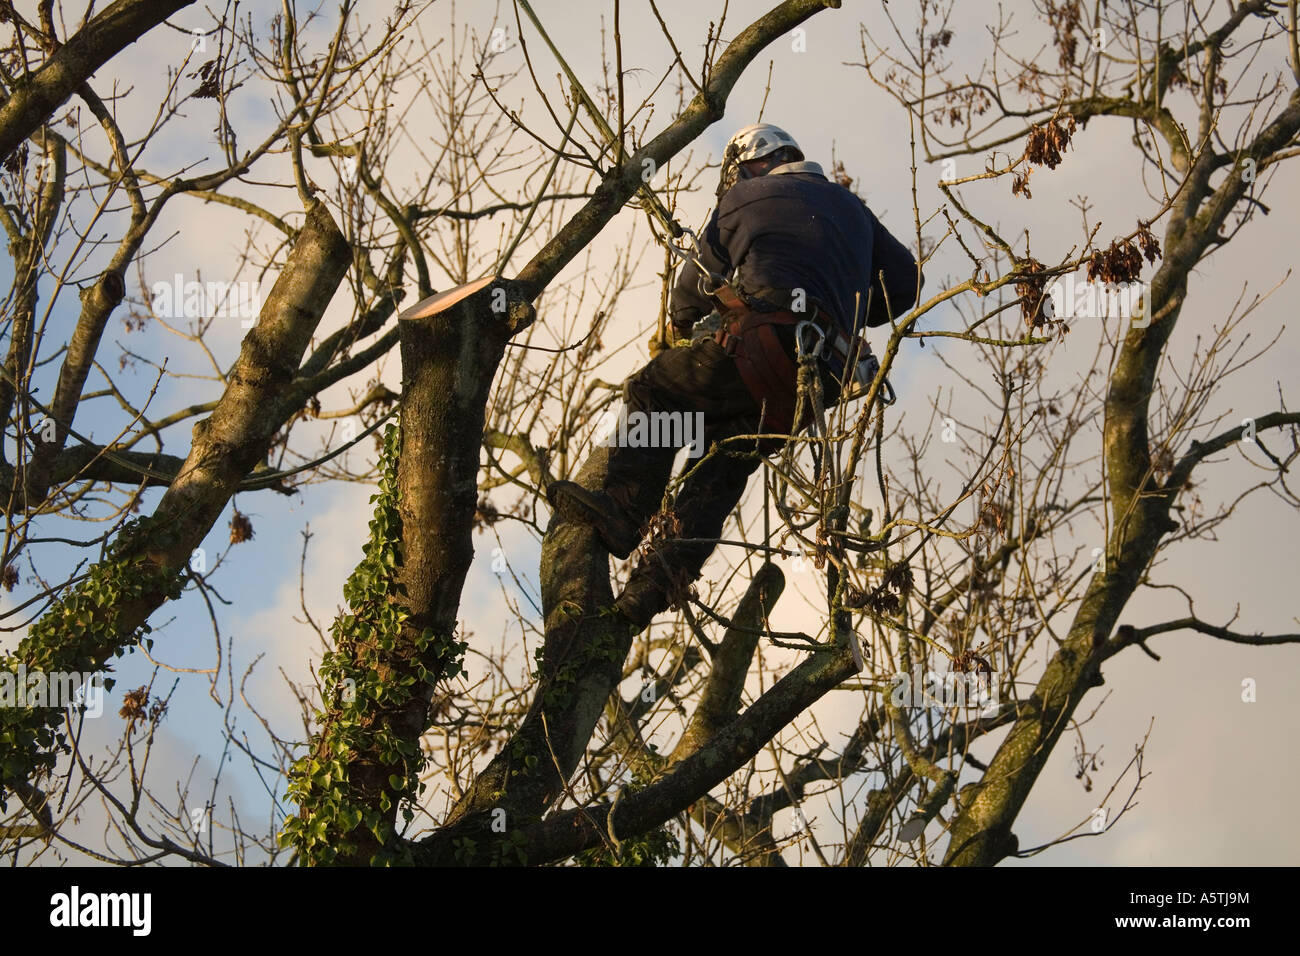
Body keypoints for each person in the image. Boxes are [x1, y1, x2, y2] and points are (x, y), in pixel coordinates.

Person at [546, 123, 921, 626]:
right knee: (725, 453)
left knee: (655, 390)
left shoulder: (744, 197)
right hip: (818, 380)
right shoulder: (855, 211)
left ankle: (623, 508)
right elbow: (904, 284)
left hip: (762, 348)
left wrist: (681, 330)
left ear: (750, 164)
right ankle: (661, 580)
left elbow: (694, 284)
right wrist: (841, 296)